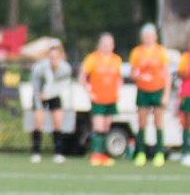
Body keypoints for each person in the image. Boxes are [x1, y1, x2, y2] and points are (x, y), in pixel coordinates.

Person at [128, 23, 171, 167]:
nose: (148, 38)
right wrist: (141, 78)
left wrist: (166, 94)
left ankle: (159, 152)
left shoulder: (160, 52)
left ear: (155, 37)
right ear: (142, 37)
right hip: (143, 90)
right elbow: (133, 73)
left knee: (158, 121)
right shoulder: (137, 52)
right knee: (142, 122)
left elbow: (167, 75)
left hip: (157, 89)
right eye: (146, 36)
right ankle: (141, 152)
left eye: (151, 35)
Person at [79, 33, 122, 166]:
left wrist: (118, 91)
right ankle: (96, 154)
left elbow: (119, 78)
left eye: (109, 44)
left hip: (111, 98)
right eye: (104, 44)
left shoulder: (116, 59)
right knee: (98, 126)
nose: (107, 46)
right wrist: (89, 92)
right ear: (99, 44)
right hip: (98, 98)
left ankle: (103, 154)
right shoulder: (92, 58)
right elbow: (82, 77)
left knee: (106, 126)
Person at [28, 45, 72, 163]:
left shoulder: (65, 69)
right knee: (38, 122)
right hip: (40, 94)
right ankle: (36, 152)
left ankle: (58, 153)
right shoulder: (39, 69)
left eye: (56, 57)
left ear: (61, 57)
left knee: (58, 122)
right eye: (51, 57)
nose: (53, 60)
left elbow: (63, 86)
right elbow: (36, 87)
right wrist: (39, 102)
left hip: (54, 95)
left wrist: (49, 94)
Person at [177, 46, 190, 166]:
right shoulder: (185, 57)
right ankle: (186, 152)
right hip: (187, 93)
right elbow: (180, 73)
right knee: (186, 122)